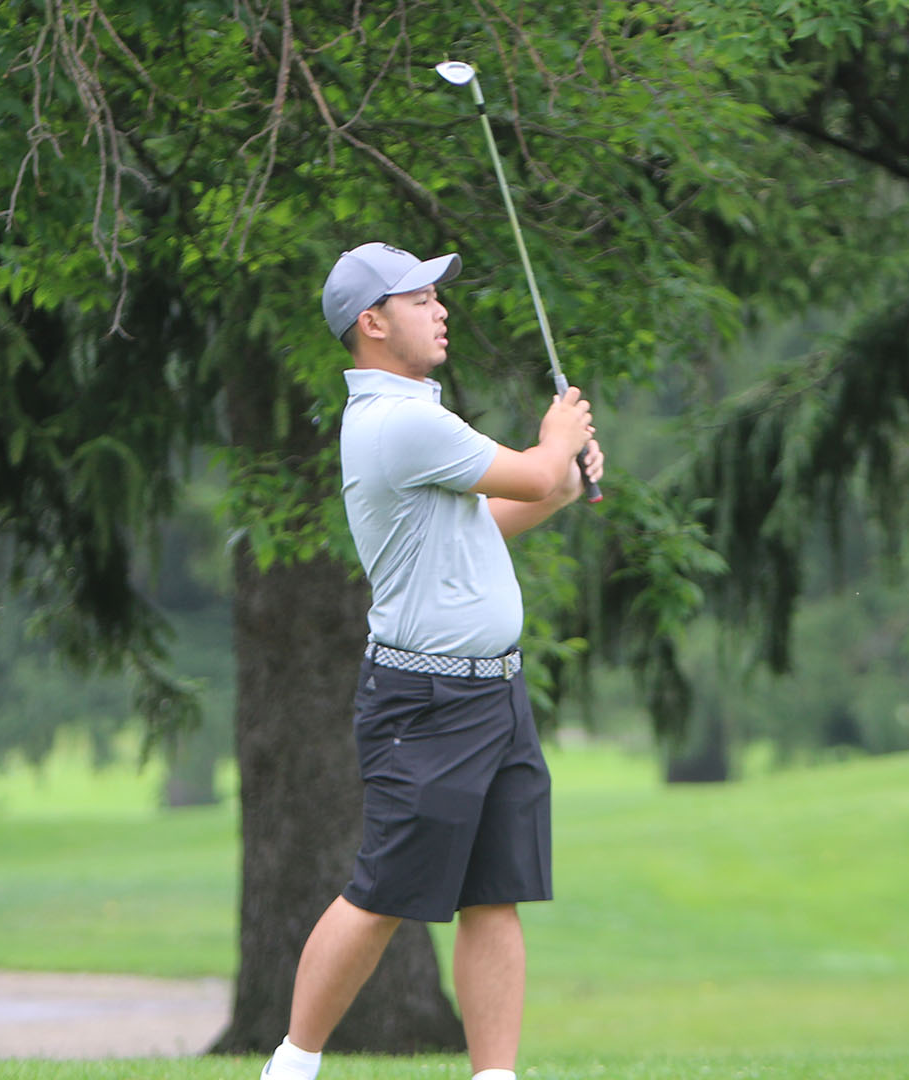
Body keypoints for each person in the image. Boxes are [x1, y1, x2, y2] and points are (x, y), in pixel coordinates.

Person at [260, 242, 602, 1080]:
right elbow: (527, 471)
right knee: (382, 894)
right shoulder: (398, 420)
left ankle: (495, 1078)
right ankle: (291, 1066)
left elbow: (491, 516)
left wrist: (561, 481)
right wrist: (557, 445)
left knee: (496, 892)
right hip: (427, 700)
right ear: (372, 323)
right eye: (419, 299)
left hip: (495, 694)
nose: (441, 309)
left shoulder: (419, 419)